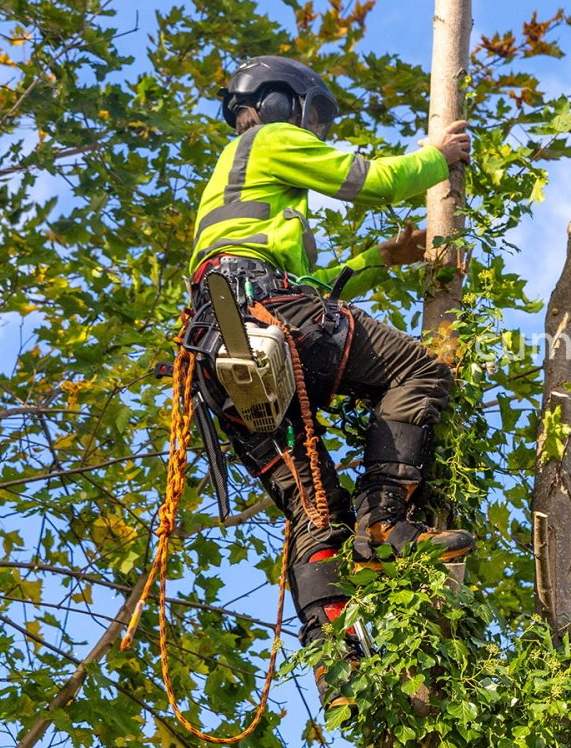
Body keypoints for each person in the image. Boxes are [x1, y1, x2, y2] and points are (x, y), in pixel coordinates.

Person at [184, 55, 474, 703]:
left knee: (311, 507)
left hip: (225, 347)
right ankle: (385, 526)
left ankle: (334, 665)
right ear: (279, 103)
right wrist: (435, 156)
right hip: (269, 317)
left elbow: (311, 288)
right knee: (415, 369)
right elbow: (367, 180)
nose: (312, 130)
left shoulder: (232, 195)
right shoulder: (264, 138)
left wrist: (378, 258)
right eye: (310, 114)